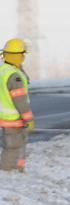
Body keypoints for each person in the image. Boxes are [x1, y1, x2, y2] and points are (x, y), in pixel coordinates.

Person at [0, 37, 34, 173]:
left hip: (5, 117)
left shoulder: (4, 69)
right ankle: (7, 171)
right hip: (13, 119)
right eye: (22, 54)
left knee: (17, 145)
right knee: (13, 147)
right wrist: (29, 119)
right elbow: (20, 100)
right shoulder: (14, 75)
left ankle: (19, 168)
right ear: (18, 56)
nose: (23, 57)